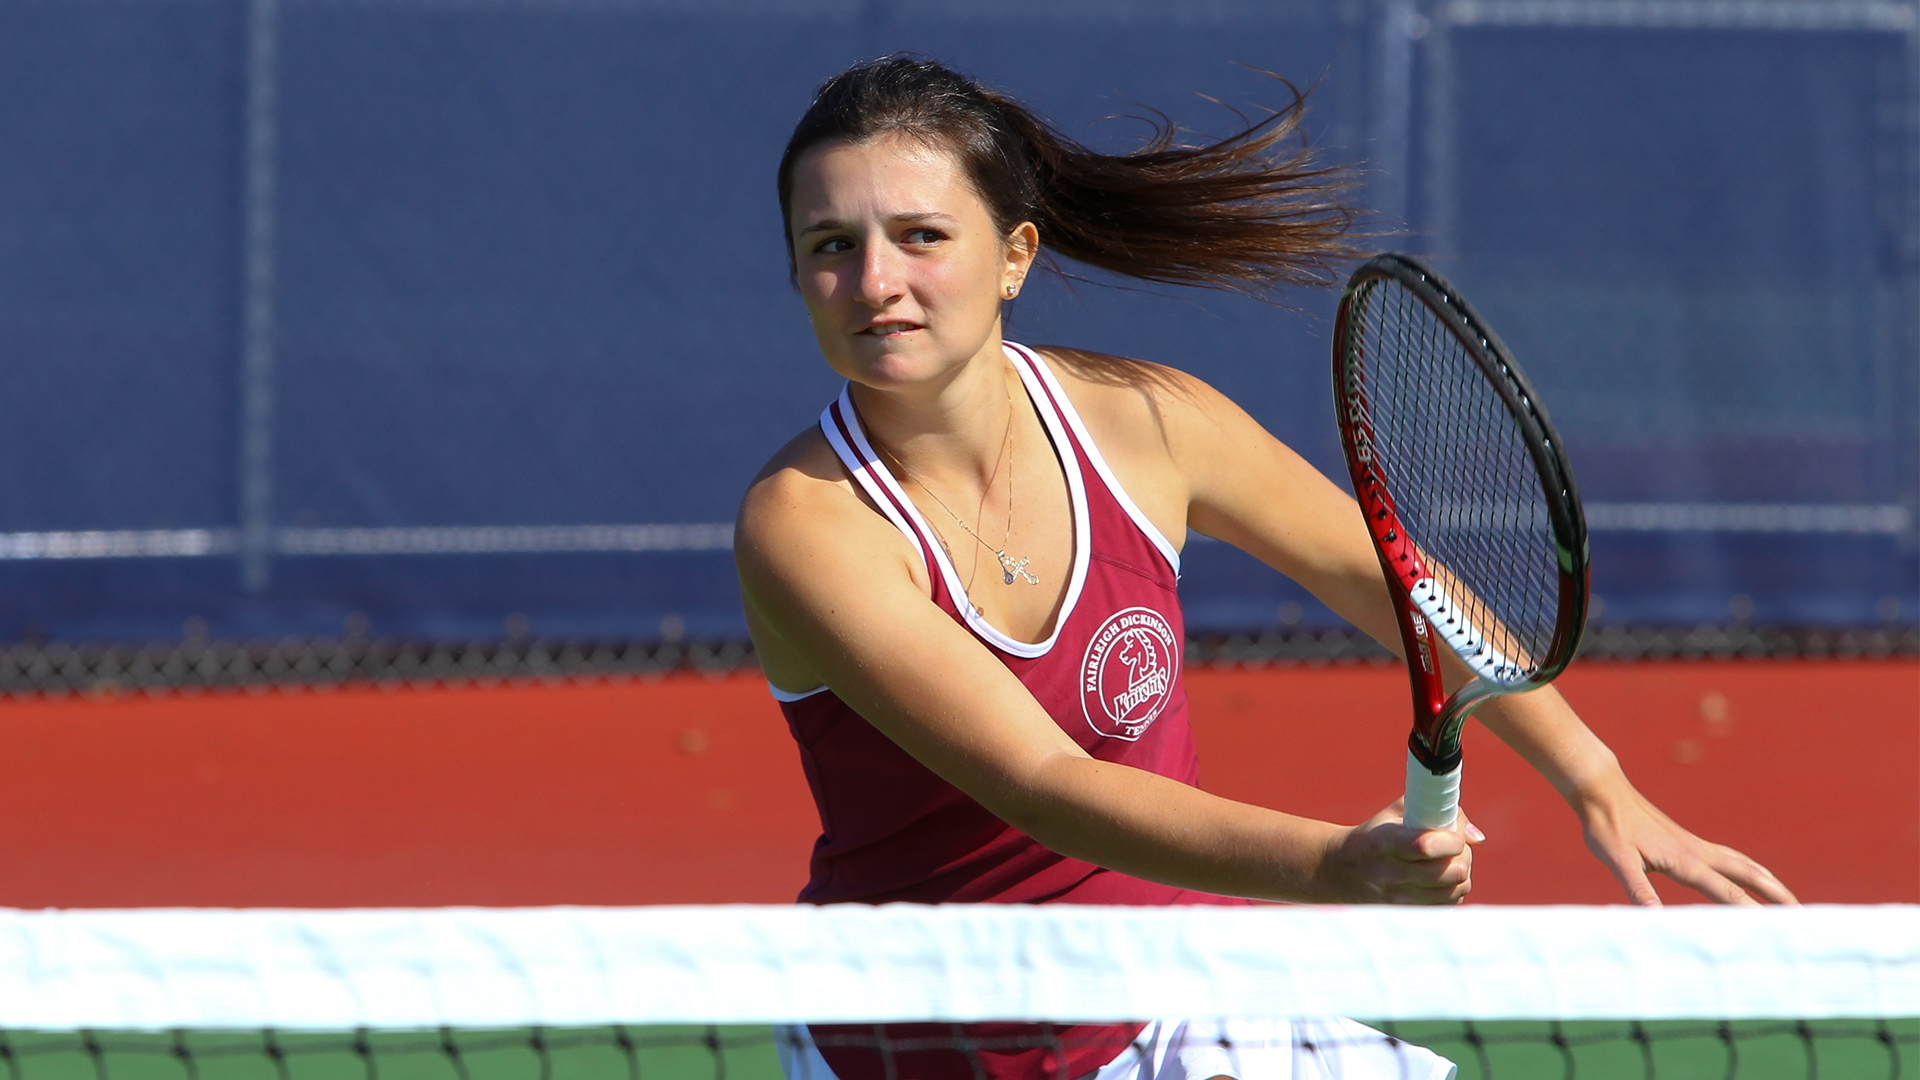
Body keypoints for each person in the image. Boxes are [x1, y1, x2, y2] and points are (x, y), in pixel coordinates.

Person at [734, 55, 1795, 1080]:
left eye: (921, 236)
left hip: (1181, 985)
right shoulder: (808, 525)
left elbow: (1387, 583)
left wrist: (1597, 781)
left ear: (1013, 256)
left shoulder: (1147, 422)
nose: (876, 281)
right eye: (831, 245)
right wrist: (1337, 867)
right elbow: (1045, 785)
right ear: (794, 272)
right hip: (941, 1046)